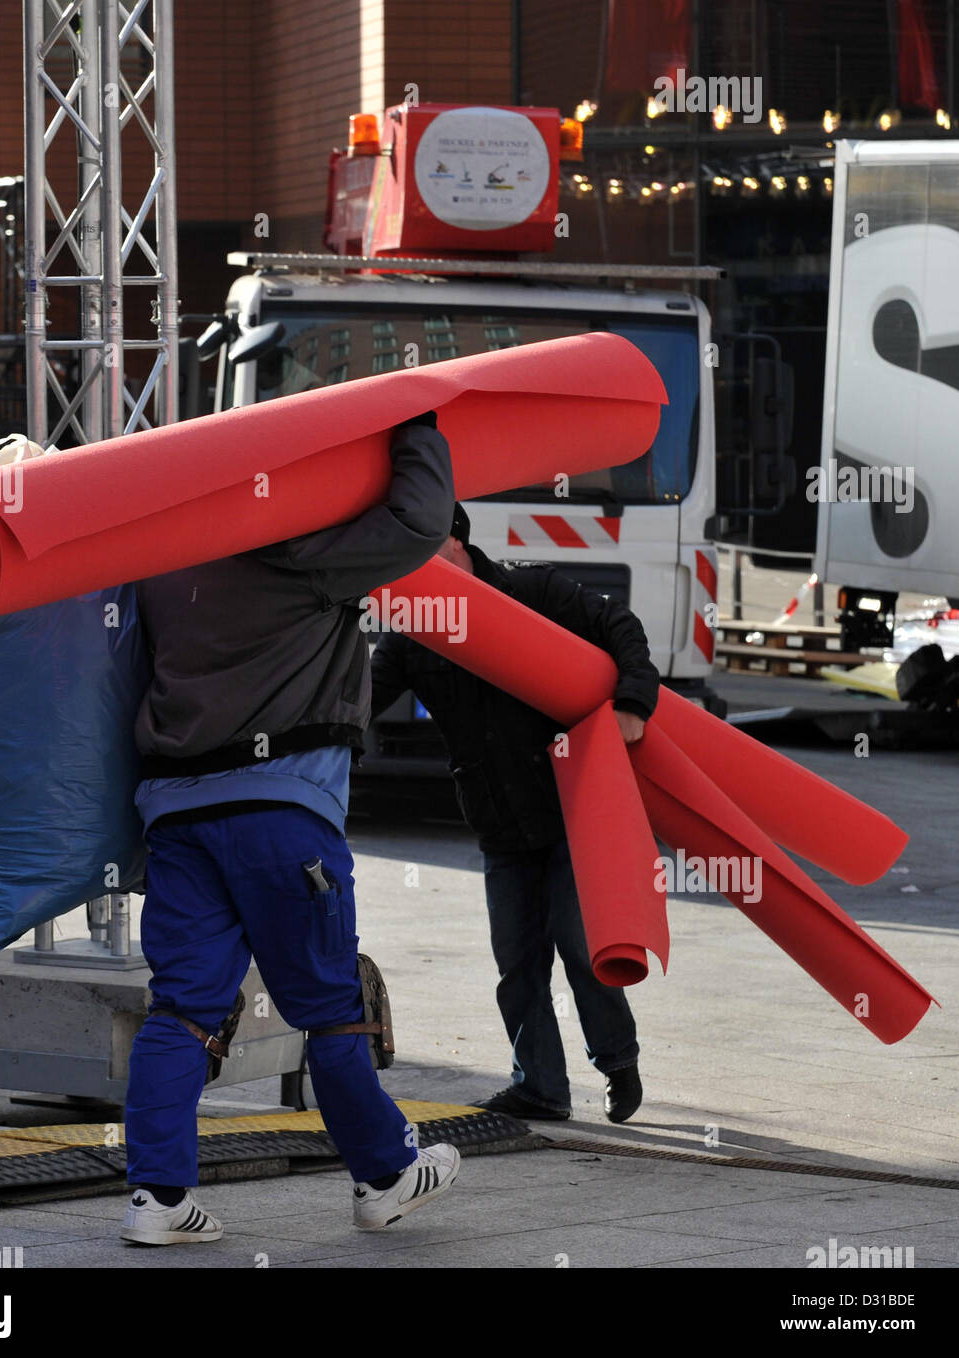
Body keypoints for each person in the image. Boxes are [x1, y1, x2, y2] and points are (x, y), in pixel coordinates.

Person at [121, 415, 460, 1245]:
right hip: (282, 815)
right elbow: (421, 521)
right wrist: (416, 419)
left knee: (182, 1011)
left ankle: (157, 1201)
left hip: (177, 816)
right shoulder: (300, 559)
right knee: (329, 1009)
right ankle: (383, 1177)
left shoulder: (161, 566)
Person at [370, 502, 660, 1125]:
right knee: (517, 963)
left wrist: (634, 701)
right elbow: (363, 696)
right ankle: (541, 1088)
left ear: (454, 542)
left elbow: (618, 625)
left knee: (581, 947)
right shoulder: (412, 628)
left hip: (568, 811)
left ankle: (616, 1060)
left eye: (419, 549)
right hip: (499, 822)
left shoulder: (532, 590)